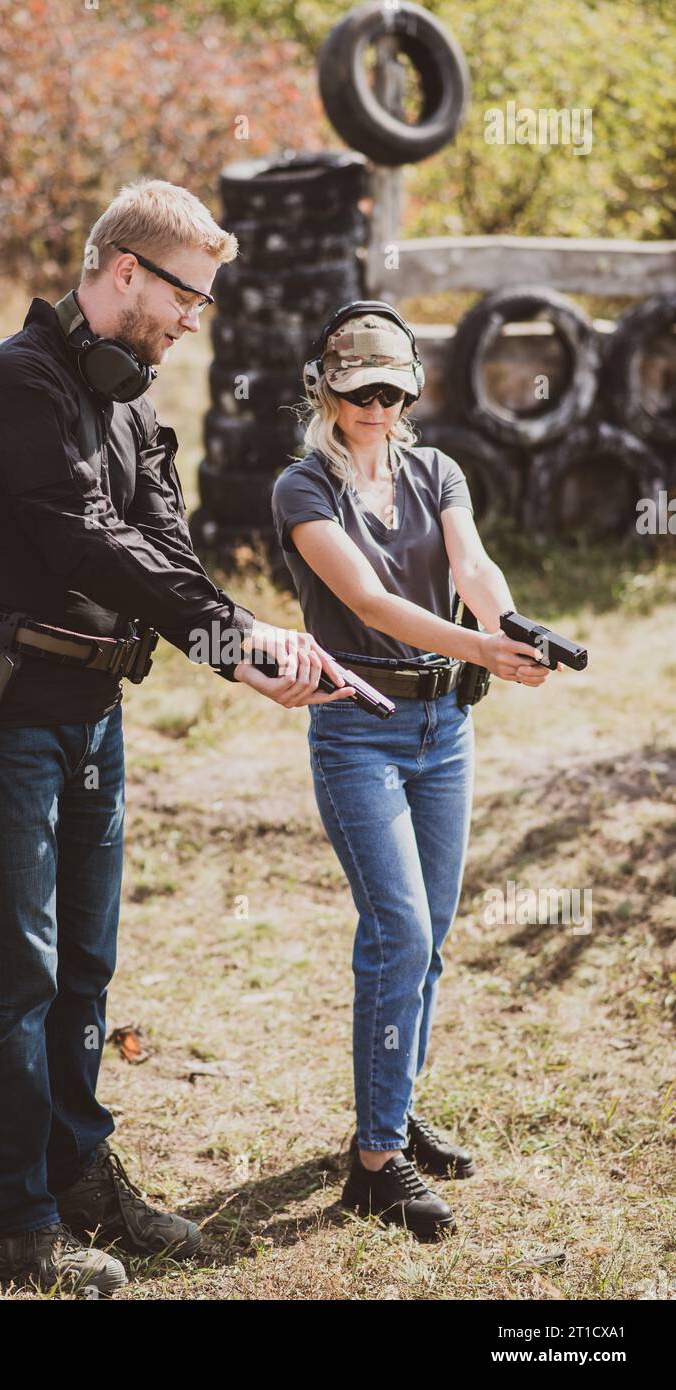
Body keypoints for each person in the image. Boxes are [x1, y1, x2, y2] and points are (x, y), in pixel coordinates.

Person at [0, 178, 355, 1297]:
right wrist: (229, 636)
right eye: (189, 296)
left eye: (207, 302)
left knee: (86, 969)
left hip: (93, 719)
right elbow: (82, 542)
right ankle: (10, 1225)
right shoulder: (6, 384)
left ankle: (78, 1183)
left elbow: (165, 553)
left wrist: (246, 647)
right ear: (125, 271)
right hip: (3, 714)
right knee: (17, 970)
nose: (196, 319)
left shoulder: (136, 406)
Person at [271, 302, 560, 1242]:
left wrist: (509, 626)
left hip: (446, 728)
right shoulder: (300, 487)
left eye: (394, 390)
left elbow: (471, 564)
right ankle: (374, 1164)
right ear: (326, 386)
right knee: (396, 928)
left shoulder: (436, 468)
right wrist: (482, 649)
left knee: (428, 934)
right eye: (360, 390)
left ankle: (387, 1115)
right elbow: (367, 599)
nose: (378, 405)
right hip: (358, 729)